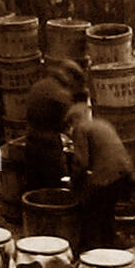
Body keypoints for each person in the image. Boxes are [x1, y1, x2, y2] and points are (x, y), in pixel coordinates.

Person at [66, 105, 133, 251]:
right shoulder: (102, 123)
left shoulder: (80, 128)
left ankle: (87, 251)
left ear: (73, 121)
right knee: (106, 210)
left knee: (90, 212)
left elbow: (82, 162)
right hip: (126, 173)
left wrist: (74, 180)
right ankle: (111, 242)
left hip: (108, 177)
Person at [23, 59, 85, 193]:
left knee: (33, 186)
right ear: (70, 77)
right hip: (48, 146)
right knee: (54, 188)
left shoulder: (40, 85)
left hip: (30, 141)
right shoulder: (61, 94)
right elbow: (71, 124)